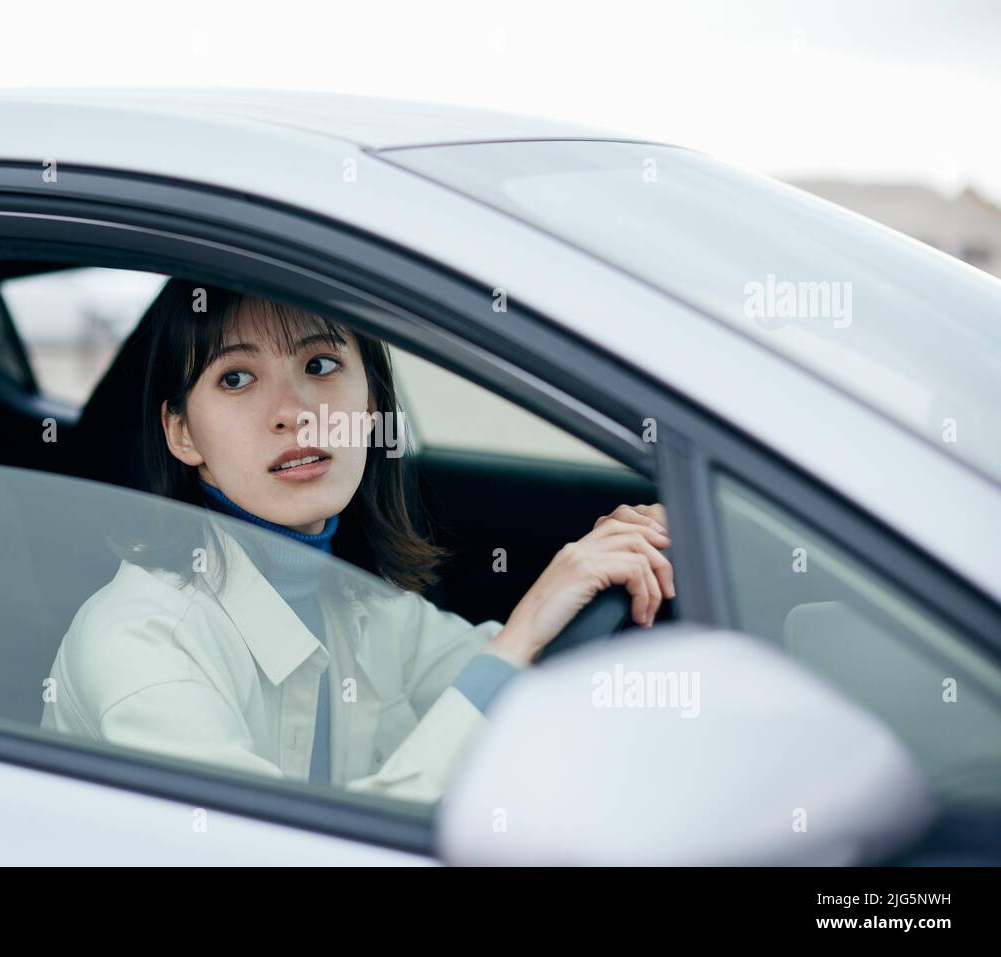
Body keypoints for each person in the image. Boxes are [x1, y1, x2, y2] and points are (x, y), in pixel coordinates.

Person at [42, 280, 675, 803]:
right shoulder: (142, 643)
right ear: (182, 434)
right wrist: (523, 632)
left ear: (370, 405)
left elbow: (496, 681)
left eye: (320, 365)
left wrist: (606, 566)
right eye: (236, 378)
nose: (293, 411)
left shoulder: (358, 601)